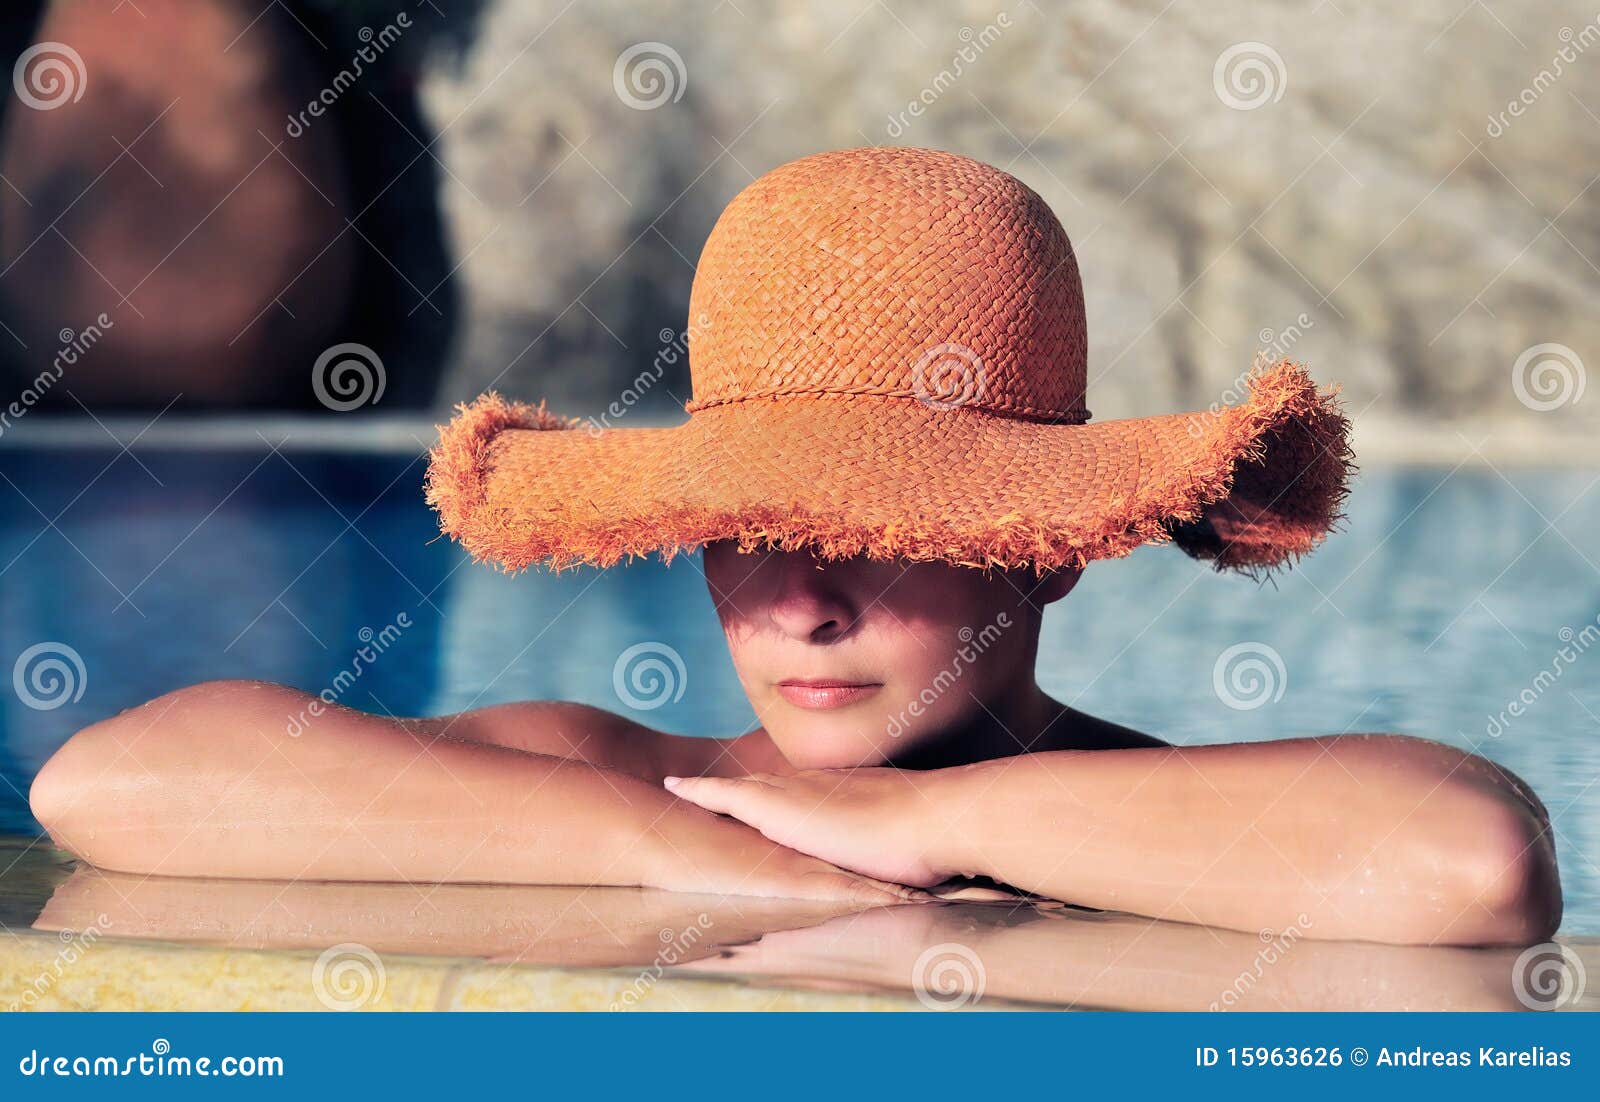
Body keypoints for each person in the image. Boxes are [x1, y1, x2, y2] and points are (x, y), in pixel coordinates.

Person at [29, 147, 1560, 946]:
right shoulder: (635, 779)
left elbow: (1472, 857)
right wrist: (656, 844)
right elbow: (106, 780)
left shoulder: (1145, 819)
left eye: (874, 531)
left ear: (1046, 547)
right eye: (750, 528)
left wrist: (937, 821)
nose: (803, 606)